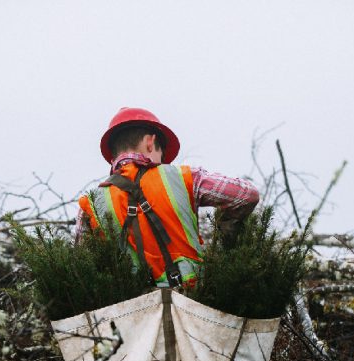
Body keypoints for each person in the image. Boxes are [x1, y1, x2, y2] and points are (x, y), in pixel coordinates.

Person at [75, 107, 259, 287]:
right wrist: (224, 234)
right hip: (192, 306)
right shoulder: (182, 177)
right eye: (161, 151)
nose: (162, 161)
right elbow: (246, 195)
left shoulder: (89, 204)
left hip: (130, 314)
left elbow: (80, 268)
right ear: (150, 141)